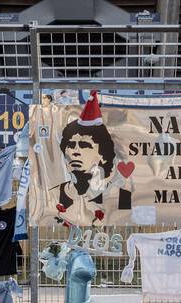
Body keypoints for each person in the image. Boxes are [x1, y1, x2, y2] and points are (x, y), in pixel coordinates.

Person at [51, 93, 131, 224]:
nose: (75, 152)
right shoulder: (55, 192)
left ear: (102, 154)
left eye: (84, 145)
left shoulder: (120, 193)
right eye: (71, 145)